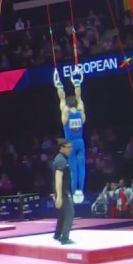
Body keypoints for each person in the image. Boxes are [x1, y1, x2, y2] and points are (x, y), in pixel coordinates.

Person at [54, 68, 86, 203]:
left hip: (70, 144)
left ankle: (74, 194)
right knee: (82, 166)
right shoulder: (81, 113)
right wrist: (77, 83)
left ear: (67, 105)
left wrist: (59, 85)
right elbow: (79, 98)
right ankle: (81, 191)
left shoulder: (65, 114)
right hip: (80, 142)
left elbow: (62, 99)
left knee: (73, 168)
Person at [52, 139, 76, 245]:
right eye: (68, 147)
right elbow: (58, 179)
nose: (70, 149)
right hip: (62, 192)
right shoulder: (61, 160)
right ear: (62, 148)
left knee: (62, 215)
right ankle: (65, 238)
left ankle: (57, 234)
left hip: (63, 192)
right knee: (70, 213)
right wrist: (59, 197)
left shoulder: (62, 159)